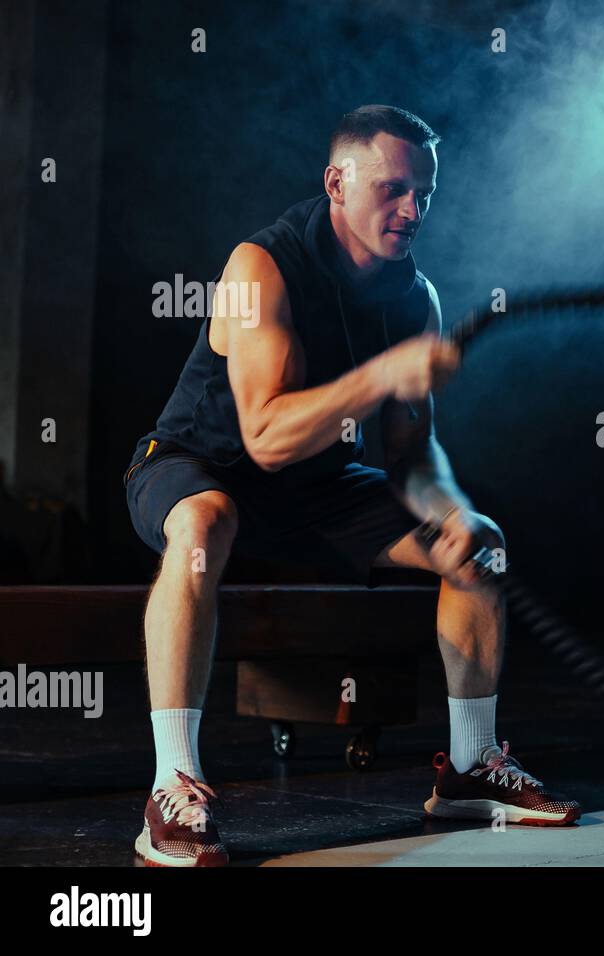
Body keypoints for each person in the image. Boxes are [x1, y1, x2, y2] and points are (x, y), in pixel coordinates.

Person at [123, 104, 581, 867]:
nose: (411, 210)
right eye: (393, 188)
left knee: (479, 548)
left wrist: (452, 509)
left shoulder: (414, 298)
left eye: (425, 195)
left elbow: (411, 451)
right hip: (200, 465)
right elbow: (265, 436)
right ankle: (173, 782)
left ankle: (470, 769)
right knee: (204, 522)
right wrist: (379, 375)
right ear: (337, 182)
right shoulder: (256, 267)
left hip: (319, 487)